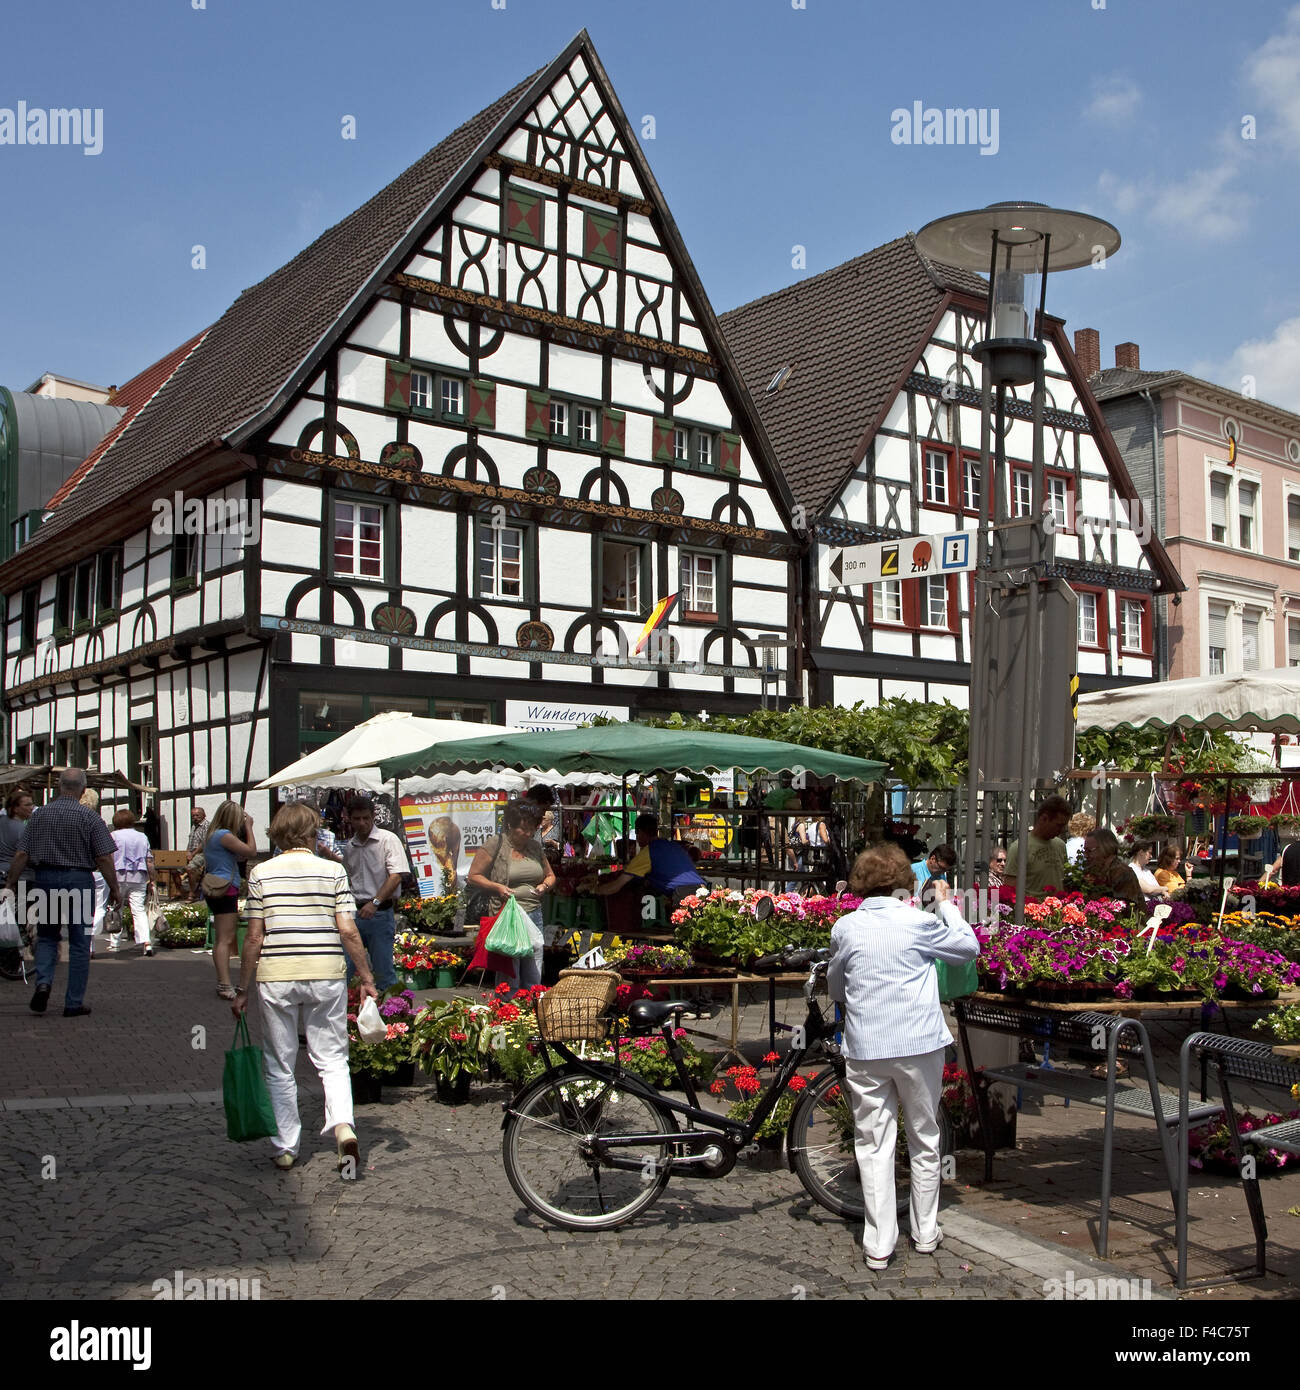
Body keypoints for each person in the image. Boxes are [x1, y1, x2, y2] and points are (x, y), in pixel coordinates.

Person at [827, 842, 980, 1271]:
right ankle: (926, 1231)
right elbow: (968, 948)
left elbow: (837, 987)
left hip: (868, 1046)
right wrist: (947, 906)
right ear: (904, 883)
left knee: (874, 1143)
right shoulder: (918, 923)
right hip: (917, 1043)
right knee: (924, 1137)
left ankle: (879, 1244)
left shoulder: (846, 927)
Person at [231, 801, 377, 1172]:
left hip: (277, 975)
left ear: (278, 834)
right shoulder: (333, 871)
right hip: (325, 973)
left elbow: (253, 938)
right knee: (332, 1059)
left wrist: (242, 987)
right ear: (312, 833)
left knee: (280, 1064)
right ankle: (343, 1126)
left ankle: (286, 1145)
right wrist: (366, 977)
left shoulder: (261, 873)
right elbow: (347, 929)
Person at [4, 768, 121, 1017]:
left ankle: (44, 982)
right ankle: (73, 1002)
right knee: (80, 942)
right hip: (78, 880)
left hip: (45, 879)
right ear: (83, 788)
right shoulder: (90, 818)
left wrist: (10, 883)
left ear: (59, 786)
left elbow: (22, 854)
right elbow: (103, 857)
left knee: (47, 937)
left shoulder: (39, 815)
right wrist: (114, 887)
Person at [467, 801, 553, 989]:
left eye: (532, 829)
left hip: (533, 912)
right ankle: (508, 1005)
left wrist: (544, 886)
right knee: (510, 961)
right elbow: (473, 876)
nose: (528, 833)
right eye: (523, 829)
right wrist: (497, 887)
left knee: (534, 957)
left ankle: (532, 1001)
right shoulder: (495, 844)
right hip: (506, 913)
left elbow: (550, 875)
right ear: (510, 825)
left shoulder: (535, 847)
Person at [340, 797, 407, 992]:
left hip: (379, 912)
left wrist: (375, 902)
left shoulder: (387, 840)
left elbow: (396, 876)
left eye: (366, 818)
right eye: (357, 819)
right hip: (355, 912)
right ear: (349, 819)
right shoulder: (350, 847)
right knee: (346, 968)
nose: (362, 823)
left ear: (373, 817)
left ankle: (393, 1016)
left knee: (383, 971)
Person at [589, 812, 705, 907]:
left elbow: (616, 886)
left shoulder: (648, 852)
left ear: (641, 832)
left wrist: (594, 890)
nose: (637, 838)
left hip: (684, 894)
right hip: (702, 890)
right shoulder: (672, 845)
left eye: (637, 833)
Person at [204, 801, 258, 1001]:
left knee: (221, 938)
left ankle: (223, 982)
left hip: (216, 886)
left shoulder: (213, 835)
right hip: (226, 888)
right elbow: (251, 851)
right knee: (225, 939)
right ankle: (224, 984)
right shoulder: (224, 836)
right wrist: (250, 828)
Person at [1004, 794, 1071, 895]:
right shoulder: (1019, 848)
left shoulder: (1060, 845)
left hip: (1058, 908)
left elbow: (1065, 881)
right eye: (1059, 825)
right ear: (1044, 818)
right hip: (1031, 908)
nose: (1061, 830)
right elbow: (1010, 889)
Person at [111, 810, 157, 953]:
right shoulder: (142, 836)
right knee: (138, 910)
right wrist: (153, 880)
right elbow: (149, 860)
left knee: (116, 908)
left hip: (118, 875)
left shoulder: (113, 836)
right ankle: (146, 942)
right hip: (139, 876)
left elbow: (108, 857)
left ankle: (115, 943)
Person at [0, 787, 35, 974]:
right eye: (27, 805)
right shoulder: (22, 829)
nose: (31, 807)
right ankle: (14, 958)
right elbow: (26, 856)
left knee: (4, 919)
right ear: (15, 808)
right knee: (17, 920)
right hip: (19, 878)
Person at [1083, 827, 1145, 908]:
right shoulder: (1092, 870)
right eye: (1085, 850)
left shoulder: (1123, 872)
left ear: (1105, 848)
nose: (1085, 855)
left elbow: (1127, 907)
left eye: (1089, 851)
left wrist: (1097, 898)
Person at [185, 806, 209, 900]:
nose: (195, 817)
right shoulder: (194, 826)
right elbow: (190, 841)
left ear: (204, 815)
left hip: (202, 854)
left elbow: (204, 843)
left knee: (190, 868)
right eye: (193, 815)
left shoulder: (206, 826)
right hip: (191, 853)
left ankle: (192, 892)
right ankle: (180, 891)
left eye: (197, 815)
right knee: (174, 868)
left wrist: (193, 854)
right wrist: (187, 852)